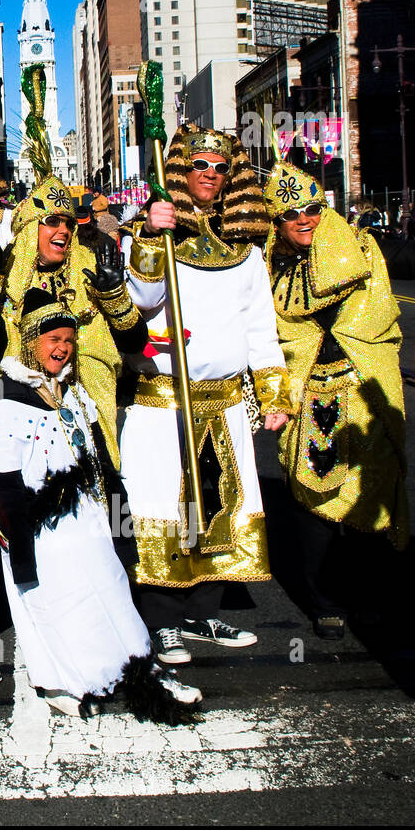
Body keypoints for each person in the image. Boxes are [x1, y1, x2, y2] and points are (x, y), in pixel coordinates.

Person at [0, 288, 201, 719]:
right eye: (52, 340)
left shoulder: (74, 393)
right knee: (58, 611)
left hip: (89, 522)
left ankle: (141, 671)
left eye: (69, 340)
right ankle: (64, 683)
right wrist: (21, 556)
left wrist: (121, 528)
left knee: (114, 599)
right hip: (41, 534)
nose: (62, 349)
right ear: (31, 342)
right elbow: (3, 487)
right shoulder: (6, 402)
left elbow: (103, 466)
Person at [264, 162, 415, 638]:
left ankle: (369, 595)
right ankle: (325, 602)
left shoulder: (364, 246)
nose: (304, 219)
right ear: (276, 221)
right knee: (314, 498)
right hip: (308, 394)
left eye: (312, 208)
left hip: (364, 392)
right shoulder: (263, 267)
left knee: (370, 496)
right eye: (291, 213)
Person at [119, 125, 291, 666]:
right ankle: (162, 620)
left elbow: (260, 325)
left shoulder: (246, 250)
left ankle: (201, 611)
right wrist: (152, 234)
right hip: (163, 401)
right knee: (162, 504)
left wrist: (275, 394)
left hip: (227, 402)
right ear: (180, 171)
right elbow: (141, 300)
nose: (210, 175)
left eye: (219, 167)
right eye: (199, 165)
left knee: (218, 505)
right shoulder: (150, 232)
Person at [3, 176, 148, 467]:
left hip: (92, 412)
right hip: (28, 416)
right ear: (30, 227)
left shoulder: (89, 266)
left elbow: (135, 342)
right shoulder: (7, 274)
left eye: (69, 223)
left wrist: (114, 296)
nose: (64, 231)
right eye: (53, 221)